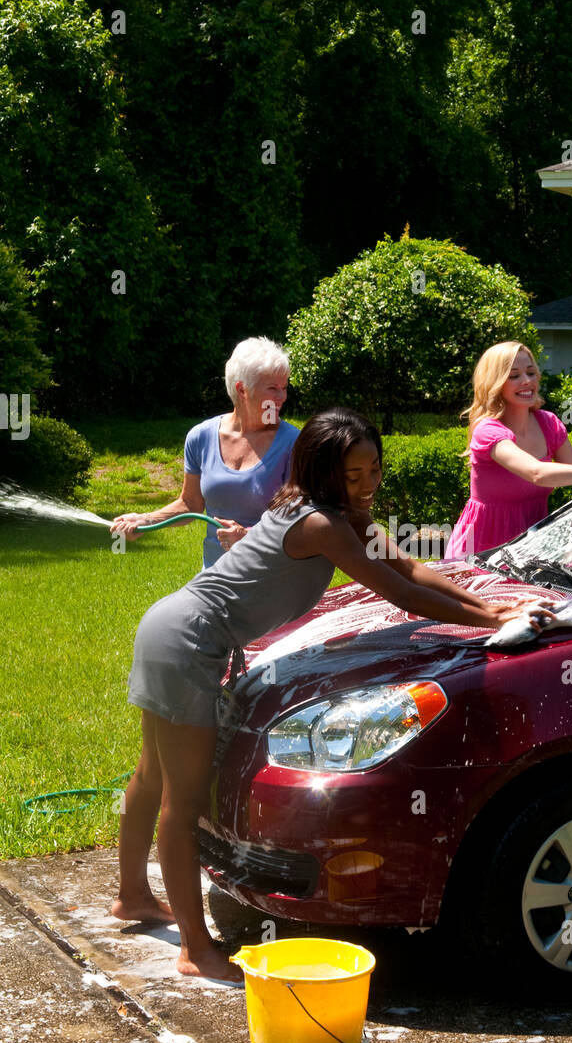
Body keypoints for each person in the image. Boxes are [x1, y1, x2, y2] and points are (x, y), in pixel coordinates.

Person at [112, 408, 532, 982]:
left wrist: (489, 607)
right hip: (189, 642)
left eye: (373, 471)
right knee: (181, 803)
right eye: (352, 476)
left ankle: (132, 897)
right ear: (321, 471)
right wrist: (488, 621)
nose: (366, 485)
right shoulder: (320, 524)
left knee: (152, 776)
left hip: (172, 627)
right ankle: (195, 949)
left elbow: (408, 564)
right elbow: (398, 592)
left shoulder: (334, 513)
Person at [444, 342, 572, 558]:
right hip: (481, 550)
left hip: (530, 549)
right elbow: (537, 473)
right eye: (514, 376)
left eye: (531, 372)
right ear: (495, 383)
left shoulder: (548, 424)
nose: (527, 381)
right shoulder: (488, 431)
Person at [109, 336, 298, 567]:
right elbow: (190, 504)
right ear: (242, 389)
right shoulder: (201, 437)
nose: (282, 397)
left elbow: (296, 520)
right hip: (215, 575)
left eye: (284, 387)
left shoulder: (293, 442)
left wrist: (248, 537)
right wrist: (146, 520)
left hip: (271, 576)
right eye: (273, 388)